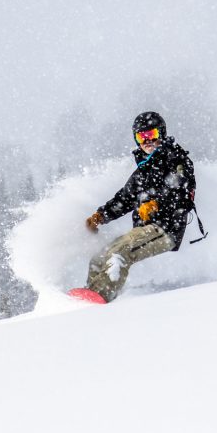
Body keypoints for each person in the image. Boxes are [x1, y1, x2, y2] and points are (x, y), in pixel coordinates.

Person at [83, 111, 196, 302]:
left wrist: (156, 204)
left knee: (120, 254)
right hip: (145, 229)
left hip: (167, 228)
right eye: (141, 137)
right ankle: (89, 295)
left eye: (151, 135)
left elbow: (183, 192)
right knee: (100, 256)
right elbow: (125, 198)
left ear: (161, 134)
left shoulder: (177, 160)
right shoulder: (143, 169)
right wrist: (101, 216)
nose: (147, 141)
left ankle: (101, 297)